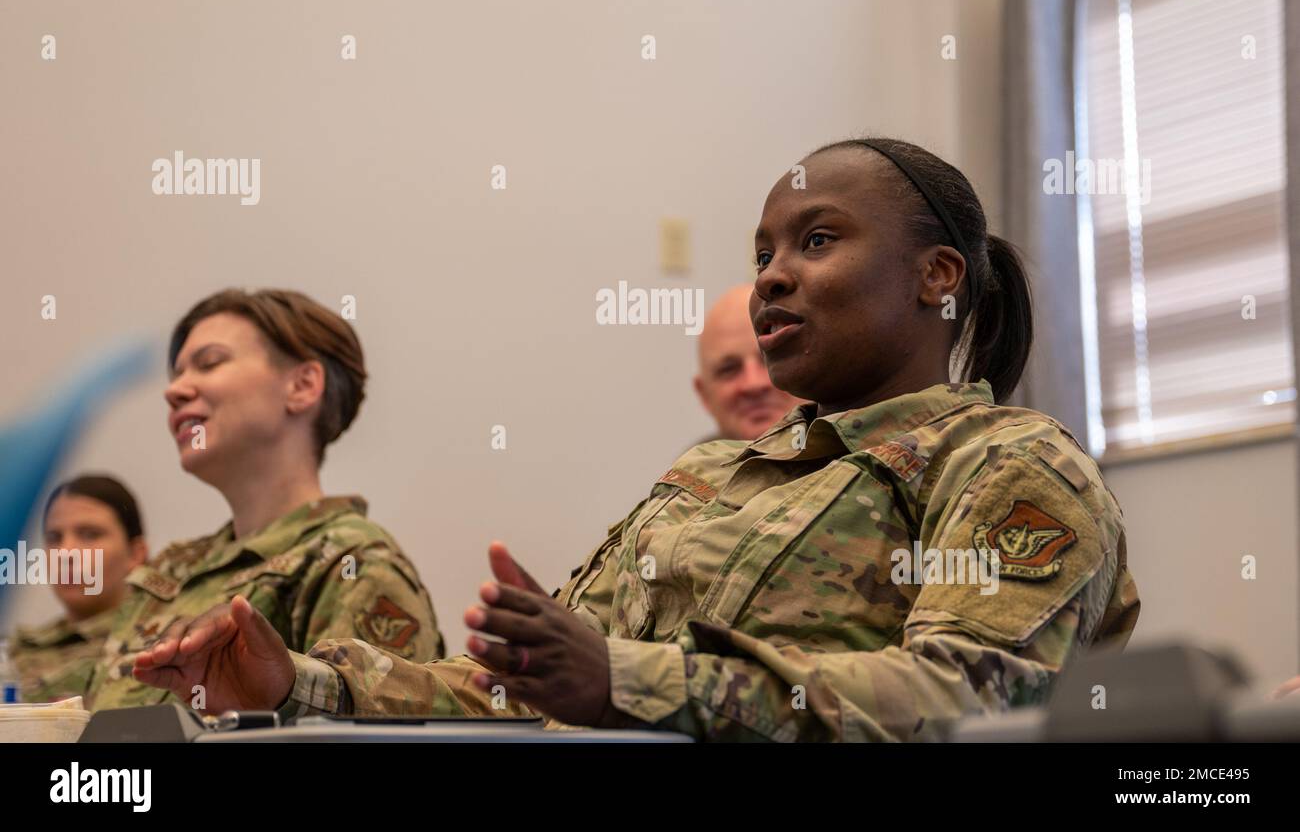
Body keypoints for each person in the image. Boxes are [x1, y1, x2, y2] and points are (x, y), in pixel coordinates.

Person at [134, 139, 1140, 741]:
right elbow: (516, 693)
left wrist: (627, 680)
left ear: (938, 276)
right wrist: (302, 683)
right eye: (761, 255)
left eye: (816, 241)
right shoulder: (710, 475)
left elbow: (972, 704)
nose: (771, 278)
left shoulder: (1006, 461)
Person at [85, 288, 443, 710]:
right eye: (176, 374)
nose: (175, 390)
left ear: (302, 386)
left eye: (210, 362)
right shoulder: (170, 570)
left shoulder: (353, 565)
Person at [9, 475, 148, 702]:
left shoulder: (168, 647)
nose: (66, 553)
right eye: (54, 538)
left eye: (90, 534)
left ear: (135, 553)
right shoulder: (12, 656)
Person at [692, 284, 803, 443]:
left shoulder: (851, 461)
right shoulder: (689, 467)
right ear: (704, 395)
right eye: (729, 369)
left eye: (770, 358)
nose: (753, 384)